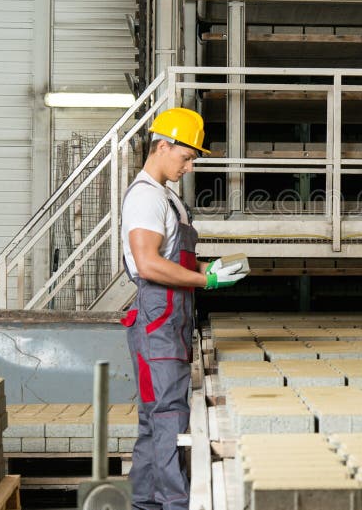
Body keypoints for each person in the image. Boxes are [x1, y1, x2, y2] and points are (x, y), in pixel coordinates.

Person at [119, 107, 246, 510]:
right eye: (186, 157)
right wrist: (204, 281)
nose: (189, 167)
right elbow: (149, 264)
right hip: (158, 324)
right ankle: (174, 504)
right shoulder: (144, 197)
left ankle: (145, 504)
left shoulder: (165, 197)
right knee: (169, 421)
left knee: (154, 422)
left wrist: (210, 268)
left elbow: (178, 260)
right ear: (162, 145)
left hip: (169, 323)